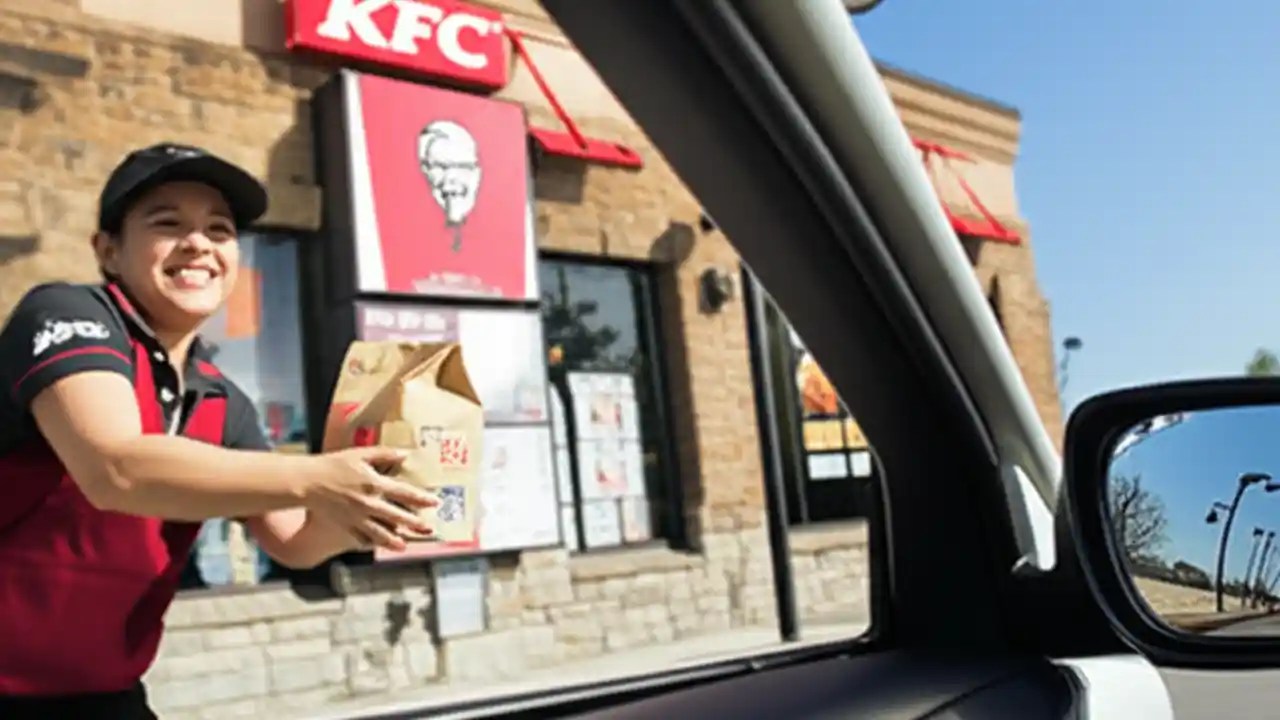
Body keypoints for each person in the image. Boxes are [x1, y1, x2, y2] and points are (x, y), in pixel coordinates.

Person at [0, 143, 435, 718]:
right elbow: (115, 469)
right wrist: (320, 477)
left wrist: (373, 506)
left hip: (105, 695)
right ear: (108, 250)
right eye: (168, 223)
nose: (198, 243)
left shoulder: (222, 401)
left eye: (219, 230)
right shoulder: (65, 313)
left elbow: (294, 541)